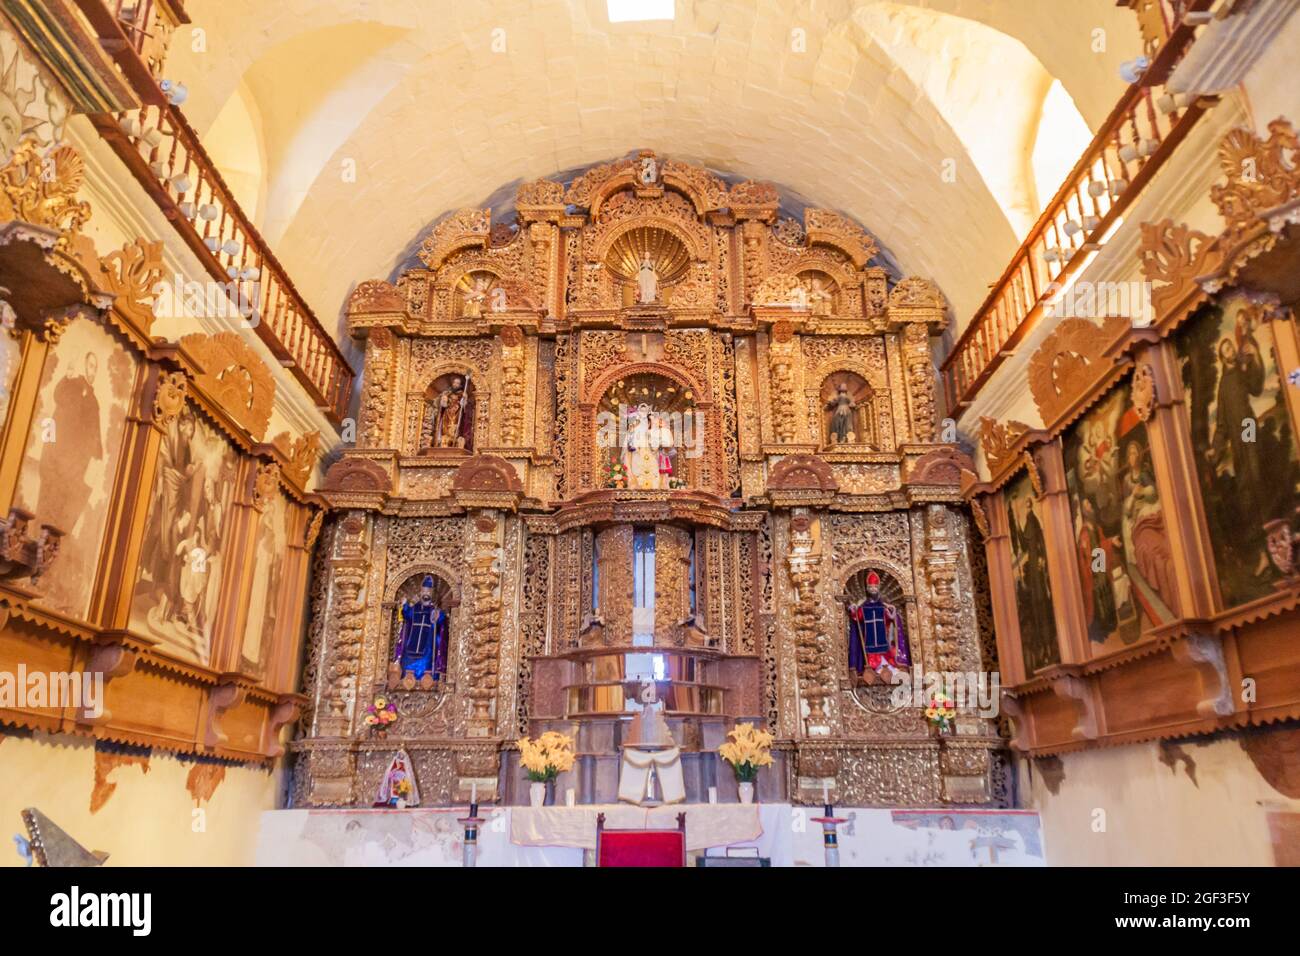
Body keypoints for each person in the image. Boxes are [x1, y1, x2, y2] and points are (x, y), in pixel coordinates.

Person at [847, 571, 911, 683]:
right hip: (869, 640)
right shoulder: (863, 607)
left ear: (878, 588)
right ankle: (873, 669)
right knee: (871, 656)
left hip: (884, 639)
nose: (873, 589)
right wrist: (853, 611)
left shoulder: (884, 606)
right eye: (870, 587)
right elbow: (858, 618)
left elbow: (892, 618)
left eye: (875, 586)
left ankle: (887, 668)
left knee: (886, 654)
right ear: (867, 588)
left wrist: (893, 616)